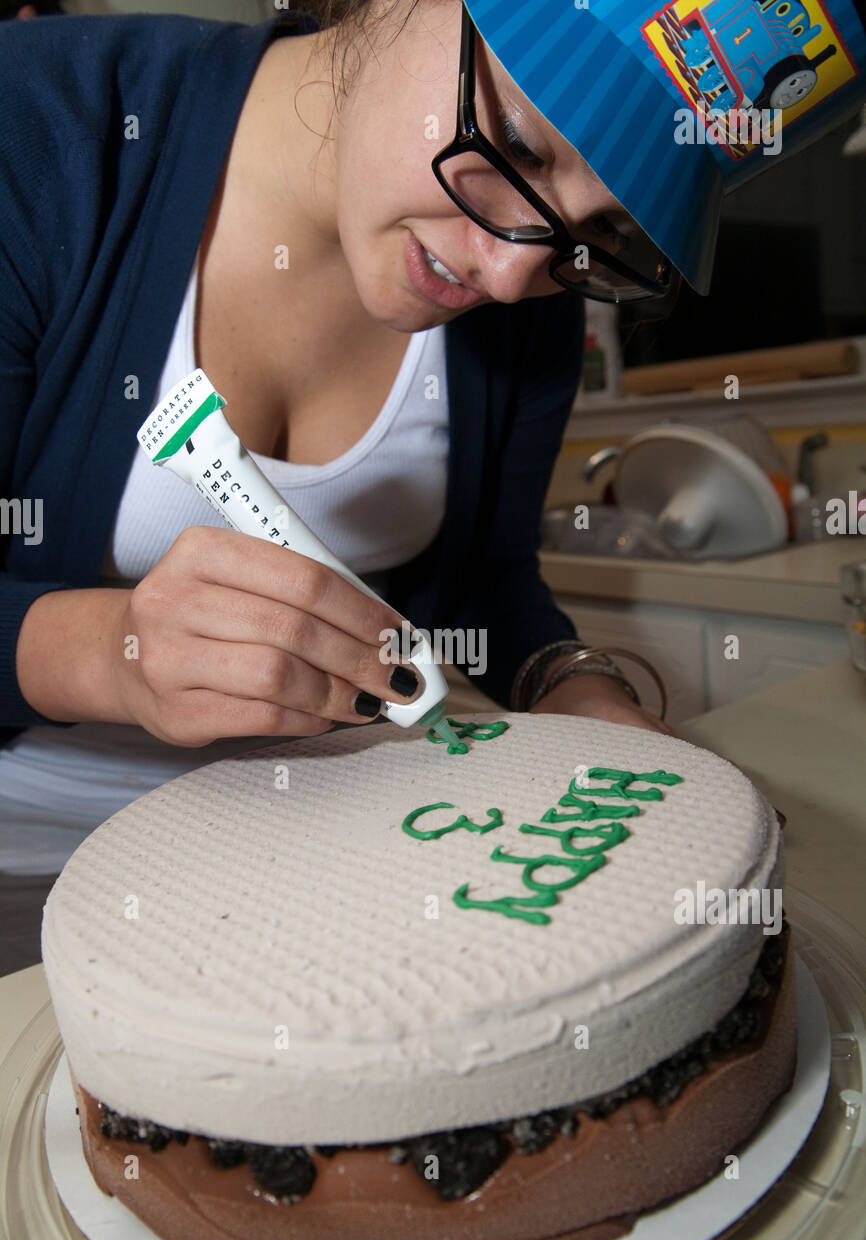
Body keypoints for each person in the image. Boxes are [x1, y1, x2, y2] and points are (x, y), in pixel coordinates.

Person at [0, 0, 863, 967]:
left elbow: (487, 583)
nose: (505, 274)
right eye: (519, 146)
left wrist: (570, 684)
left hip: (343, 858)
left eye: (603, 227)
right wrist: (105, 652)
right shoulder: (43, 125)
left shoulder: (531, 291)